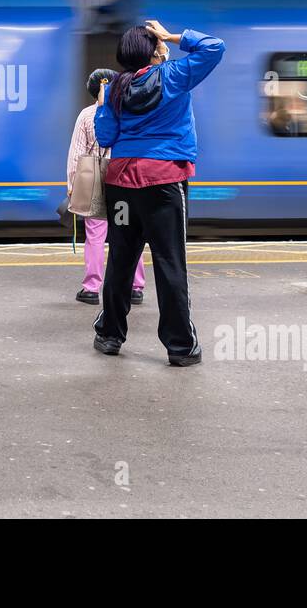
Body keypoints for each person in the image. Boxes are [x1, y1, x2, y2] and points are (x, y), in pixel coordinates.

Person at [92, 20, 225, 367]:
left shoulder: (117, 87)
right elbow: (214, 47)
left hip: (120, 185)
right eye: (159, 43)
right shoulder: (173, 75)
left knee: (121, 259)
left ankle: (109, 335)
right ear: (154, 50)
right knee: (169, 262)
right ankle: (180, 347)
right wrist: (172, 36)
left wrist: (104, 103)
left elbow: (105, 137)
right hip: (162, 182)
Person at [67, 68, 146, 306]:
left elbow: (76, 155)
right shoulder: (129, 114)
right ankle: (135, 287)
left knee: (96, 234)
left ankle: (91, 288)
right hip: (124, 180)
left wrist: (72, 186)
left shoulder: (86, 115)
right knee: (129, 232)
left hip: (95, 183)